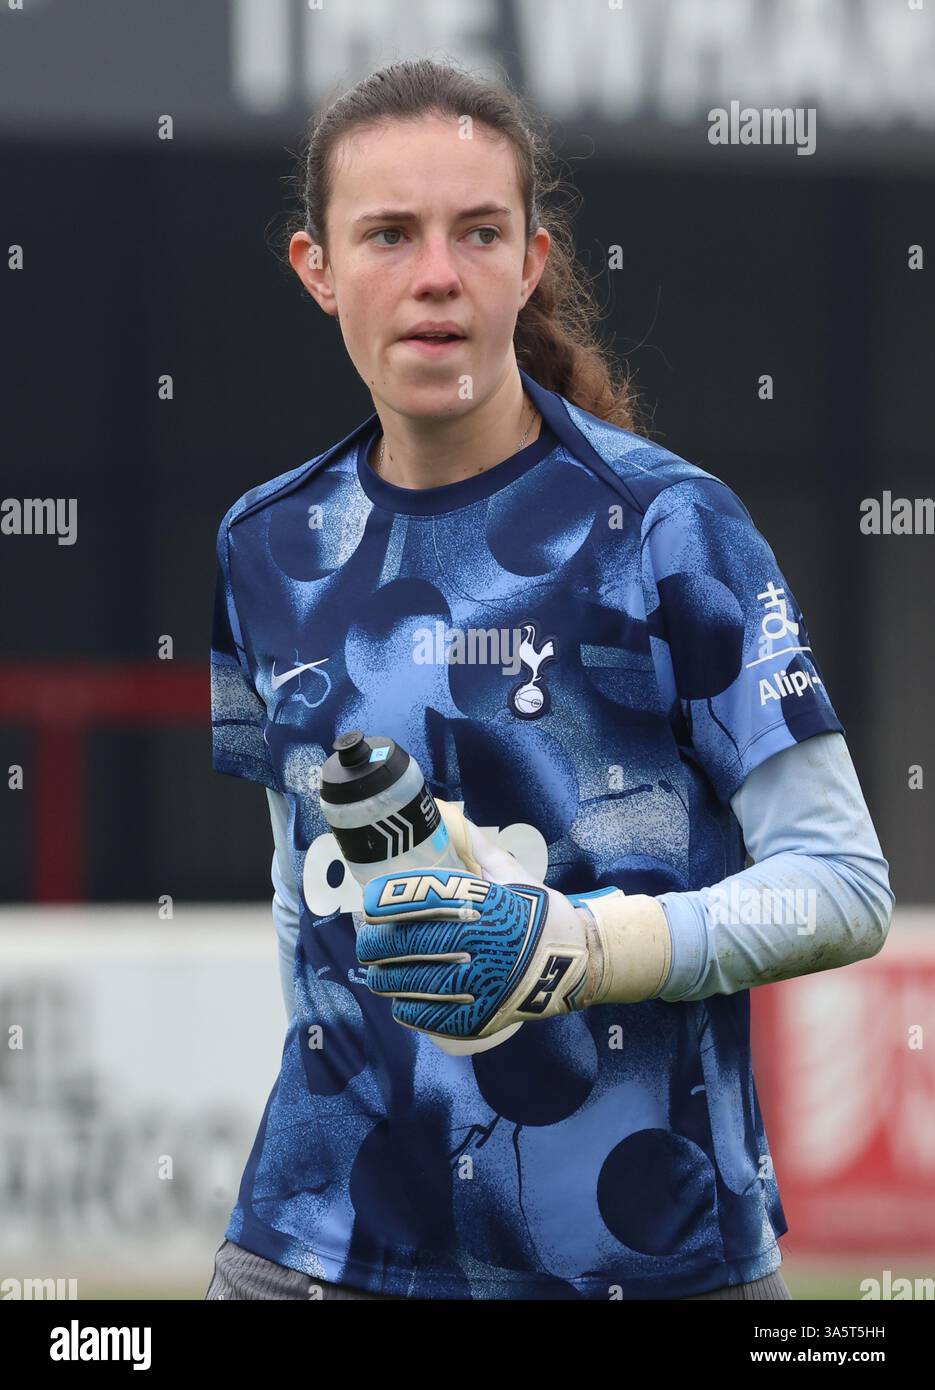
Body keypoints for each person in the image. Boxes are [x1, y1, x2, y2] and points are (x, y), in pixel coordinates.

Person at [205, 57, 893, 1301]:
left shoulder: (671, 529)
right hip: (317, 1250)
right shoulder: (262, 546)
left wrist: (582, 944)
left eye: (478, 233)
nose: (435, 276)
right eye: (388, 234)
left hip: (643, 1256)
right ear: (316, 269)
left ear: (529, 263)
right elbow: (296, 884)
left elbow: (843, 885)